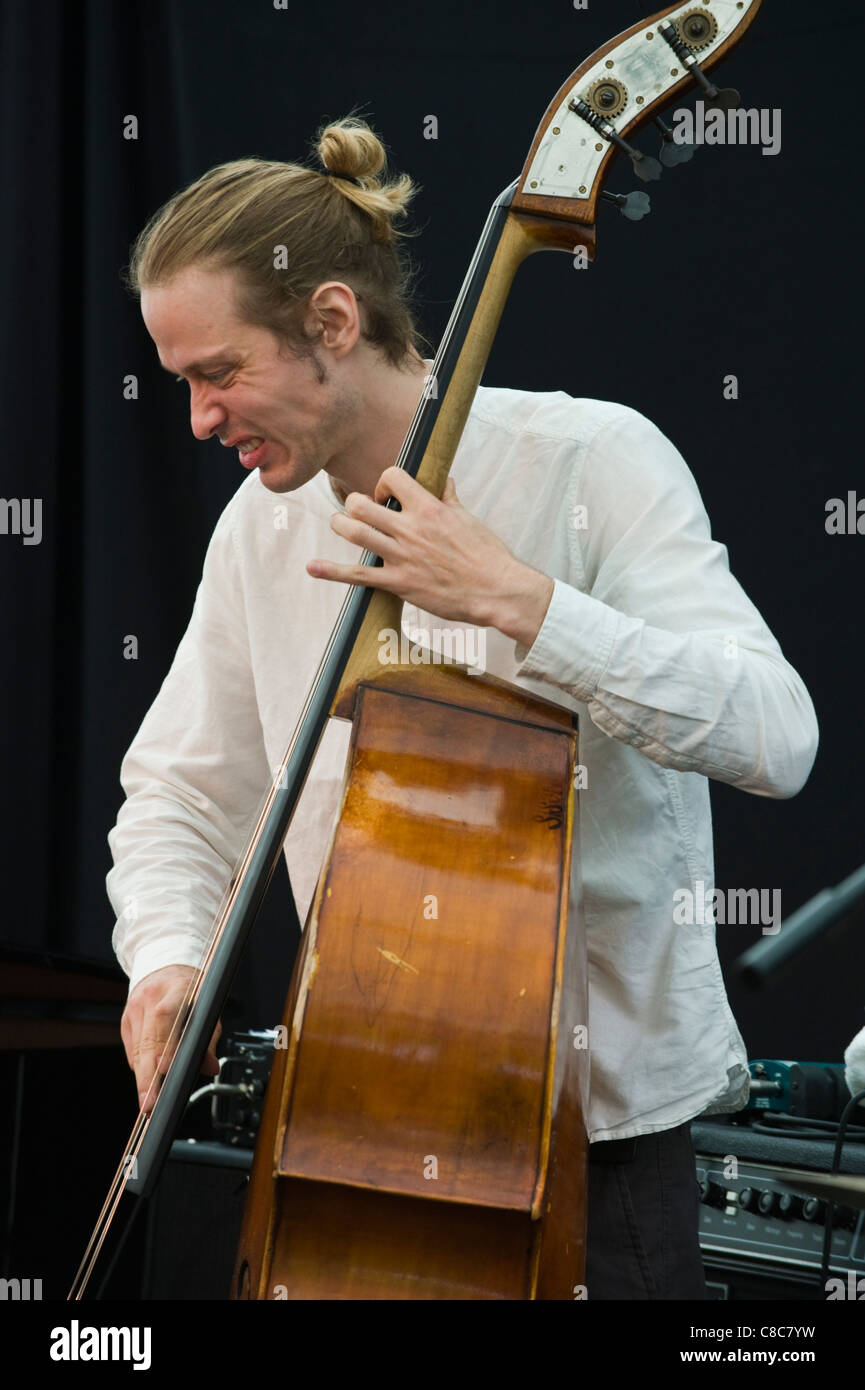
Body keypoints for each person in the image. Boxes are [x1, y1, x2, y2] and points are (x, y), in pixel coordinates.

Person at [109, 116, 819, 1299]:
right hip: (347, 1123)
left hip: (599, 1155)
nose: (198, 419)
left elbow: (775, 735)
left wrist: (522, 600)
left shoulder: (593, 460)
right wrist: (167, 958)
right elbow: (180, 793)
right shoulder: (258, 528)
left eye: (218, 373)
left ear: (331, 322)